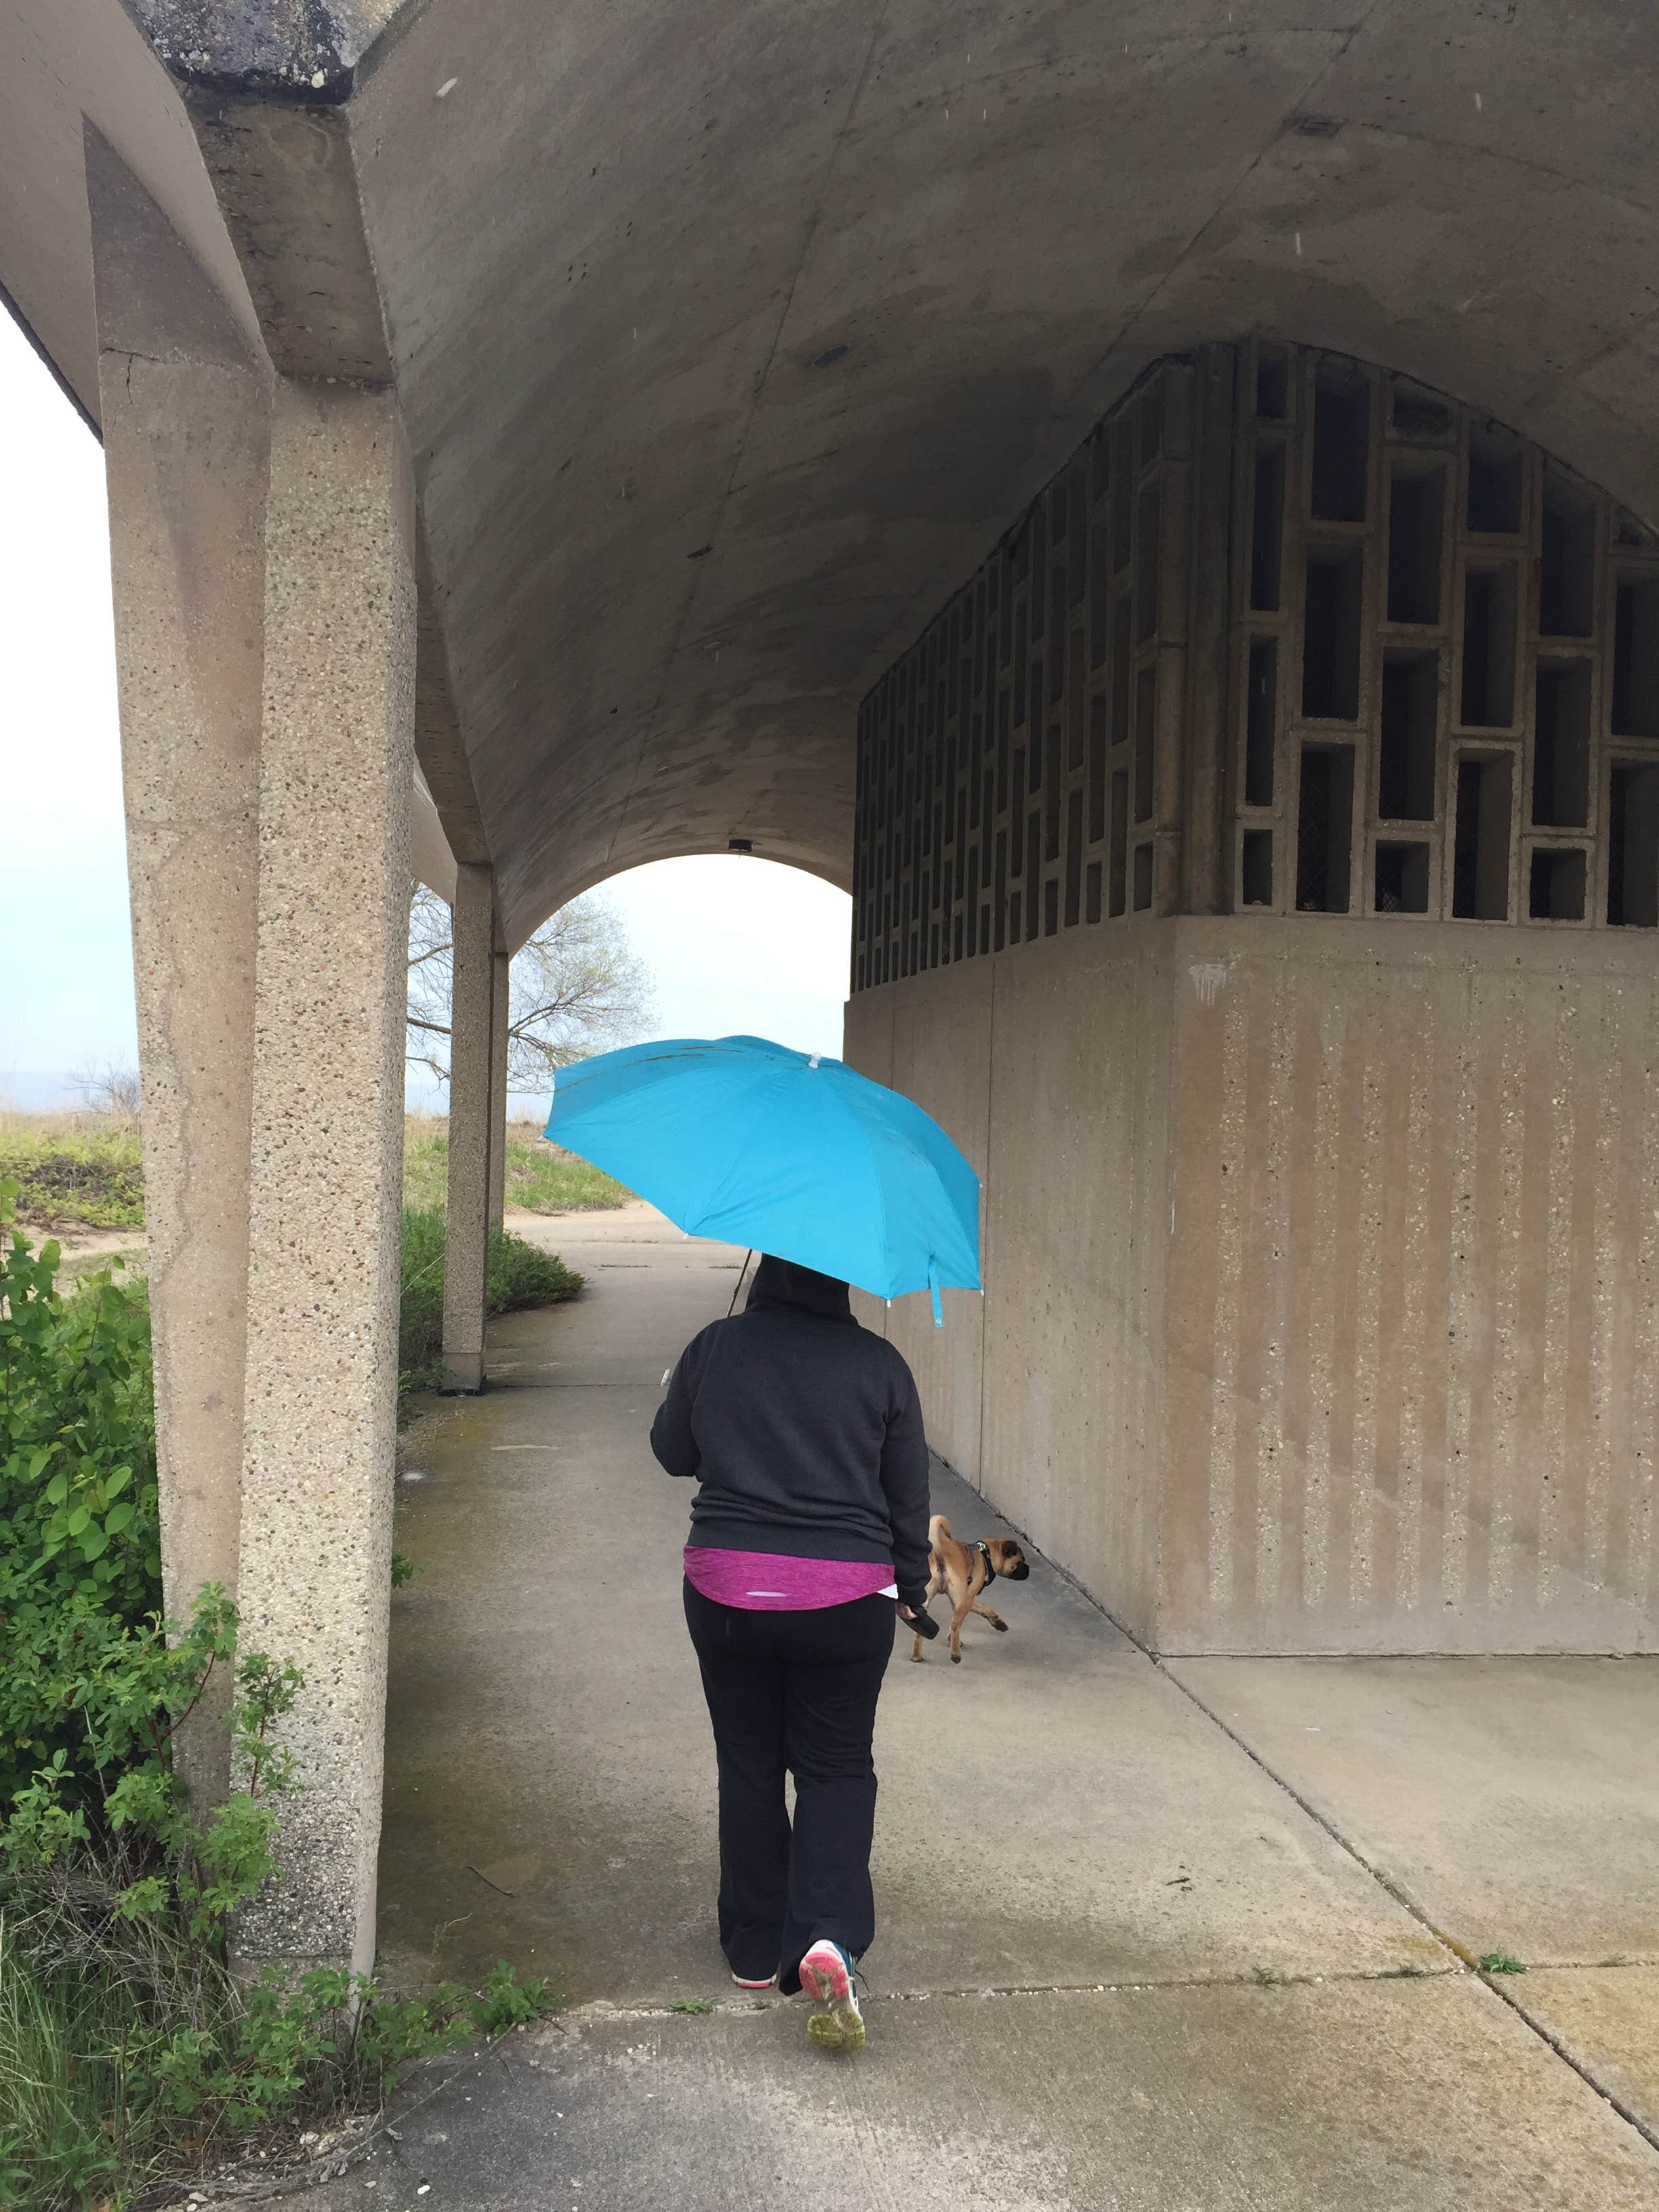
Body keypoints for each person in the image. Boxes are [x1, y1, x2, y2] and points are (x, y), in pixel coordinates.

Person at [649, 1252, 930, 2051]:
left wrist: (693, 1386)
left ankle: (749, 1947)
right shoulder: (881, 1365)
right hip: (846, 1601)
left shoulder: (715, 1346)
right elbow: (907, 1495)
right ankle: (827, 1936)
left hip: (727, 1588)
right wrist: (910, 1584)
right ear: (841, 1280)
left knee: (747, 1762)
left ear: (765, 1270)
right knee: (836, 1766)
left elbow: (674, 1453)